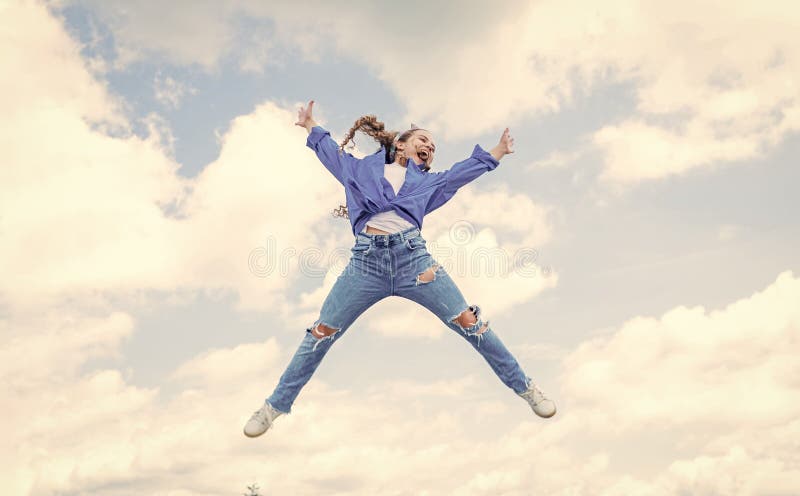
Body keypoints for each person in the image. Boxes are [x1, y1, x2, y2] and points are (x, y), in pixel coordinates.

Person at [244, 100, 556, 438]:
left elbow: (460, 173)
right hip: (365, 264)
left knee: (471, 323)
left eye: (433, 147)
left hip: (414, 262)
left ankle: (526, 388)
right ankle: (273, 407)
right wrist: (309, 125)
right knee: (320, 333)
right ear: (401, 144)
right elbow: (330, 153)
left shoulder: (428, 183)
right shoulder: (360, 170)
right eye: (423, 139)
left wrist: (498, 150)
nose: (429, 147)